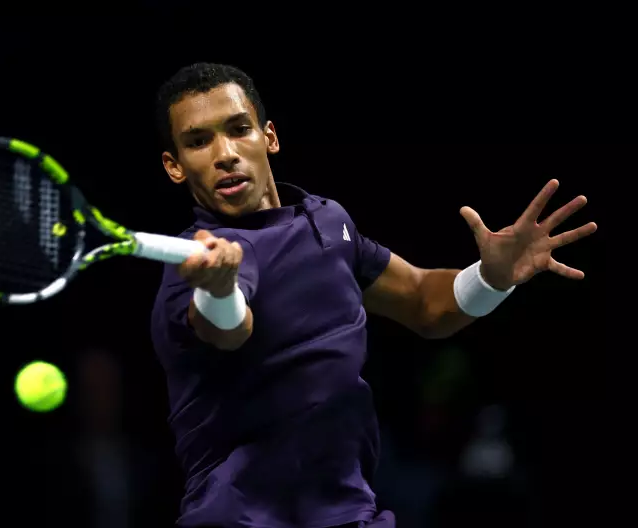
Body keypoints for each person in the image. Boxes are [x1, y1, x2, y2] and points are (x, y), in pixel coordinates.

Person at [149, 63, 597, 528]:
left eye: (239, 130)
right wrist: (218, 287)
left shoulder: (327, 221)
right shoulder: (194, 267)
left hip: (349, 513)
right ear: (175, 166)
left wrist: (493, 276)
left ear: (270, 137)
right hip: (239, 520)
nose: (225, 153)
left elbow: (424, 302)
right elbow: (228, 329)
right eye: (199, 141)